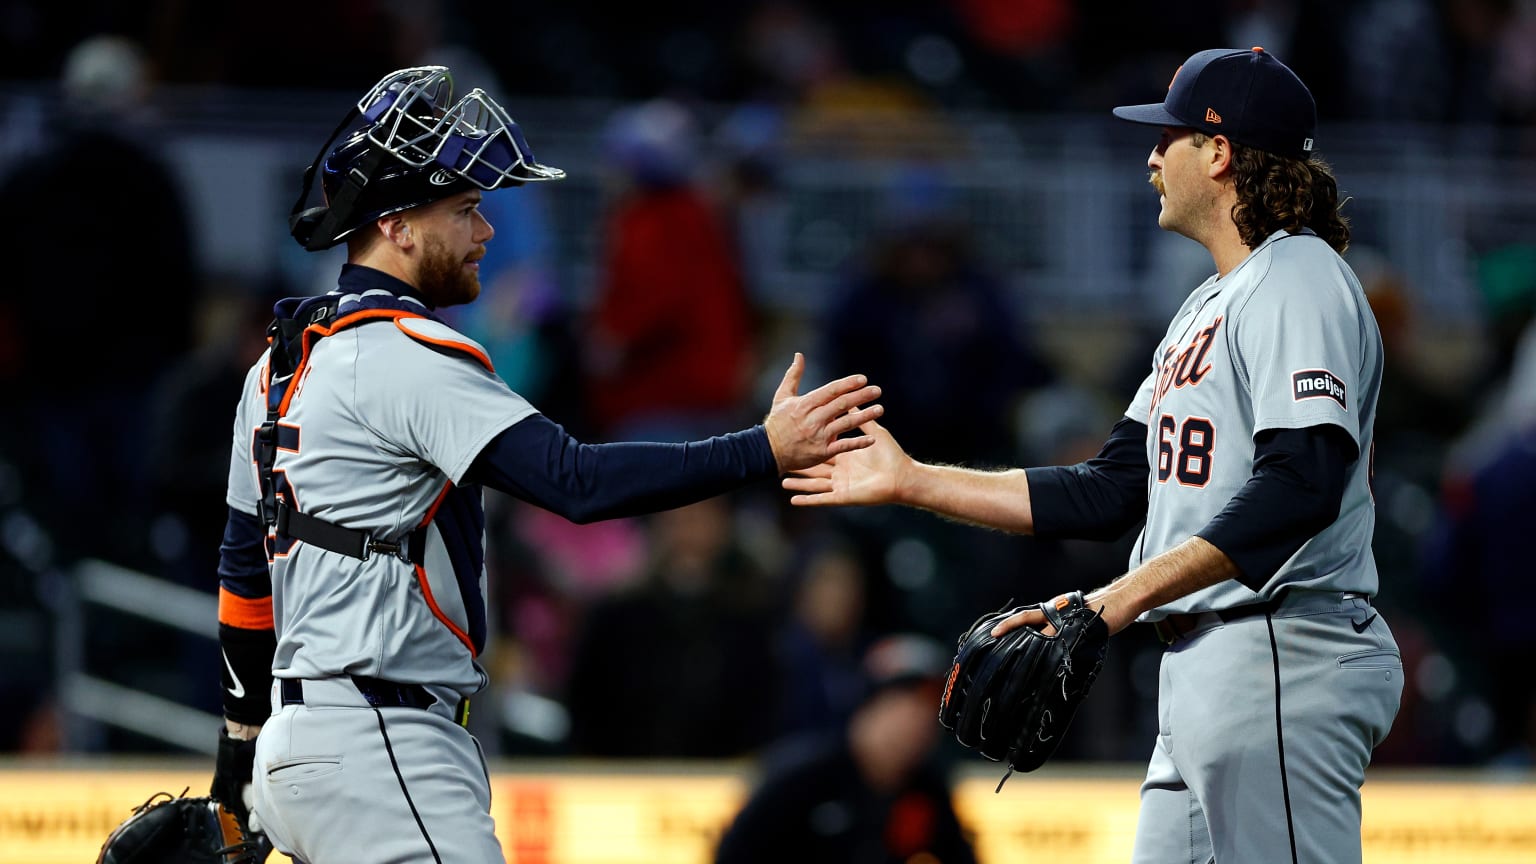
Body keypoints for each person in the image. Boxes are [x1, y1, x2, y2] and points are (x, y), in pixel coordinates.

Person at [208, 66, 884, 864]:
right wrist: (762, 448)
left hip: (294, 748)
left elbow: (245, 578)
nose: (486, 231)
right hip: (382, 745)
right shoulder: (408, 354)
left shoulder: (275, 371)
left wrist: (236, 768)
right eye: (464, 210)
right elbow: (575, 481)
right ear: (397, 226)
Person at [785, 47, 1403, 863]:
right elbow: (1110, 489)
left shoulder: (1298, 276)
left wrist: (1110, 603)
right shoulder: (1206, 305)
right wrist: (911, 481)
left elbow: (1303, 483)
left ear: (1220, 153)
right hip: (1208, 662)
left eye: (1169, 137)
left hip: (1283, 649)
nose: (1151, 157)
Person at [713, 633, 978, 864]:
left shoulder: (926, 791)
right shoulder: (801, 778)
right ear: (866, 708)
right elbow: (733, 854)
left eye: (928, 714)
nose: (916, 725)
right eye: (903, 708)